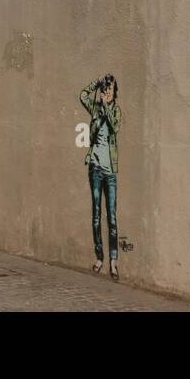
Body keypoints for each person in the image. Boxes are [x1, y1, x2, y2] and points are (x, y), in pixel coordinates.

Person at [80, 74, 121, 280]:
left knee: (111, 217)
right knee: (96, 215)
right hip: (95, 169)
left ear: (114, 94)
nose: (107, 94)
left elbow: (115, 126)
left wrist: (106, 107)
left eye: (110, 91)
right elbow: (83, 95)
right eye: (105, 90)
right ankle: (99, 257)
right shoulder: (95, 108)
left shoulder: (115, 111)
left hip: (110, 172)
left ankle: (114, 261)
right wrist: (95, 82)